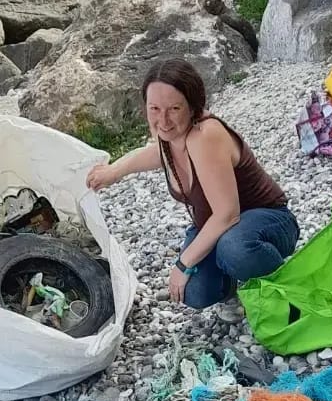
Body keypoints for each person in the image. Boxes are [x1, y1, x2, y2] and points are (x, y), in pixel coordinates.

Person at [86, 58, 299, 314]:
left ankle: (288, 286)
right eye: (154, 109)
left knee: (234, 248)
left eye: (174, 108)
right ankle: (238, 283)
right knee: (194, 291)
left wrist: (183, 264)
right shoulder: (169, 136)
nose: (163, 120)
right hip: (221, 229)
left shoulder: (204, 135)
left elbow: (227, 215)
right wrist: (114, 171)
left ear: (192, 106)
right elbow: (157, 154)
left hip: (269, 222)